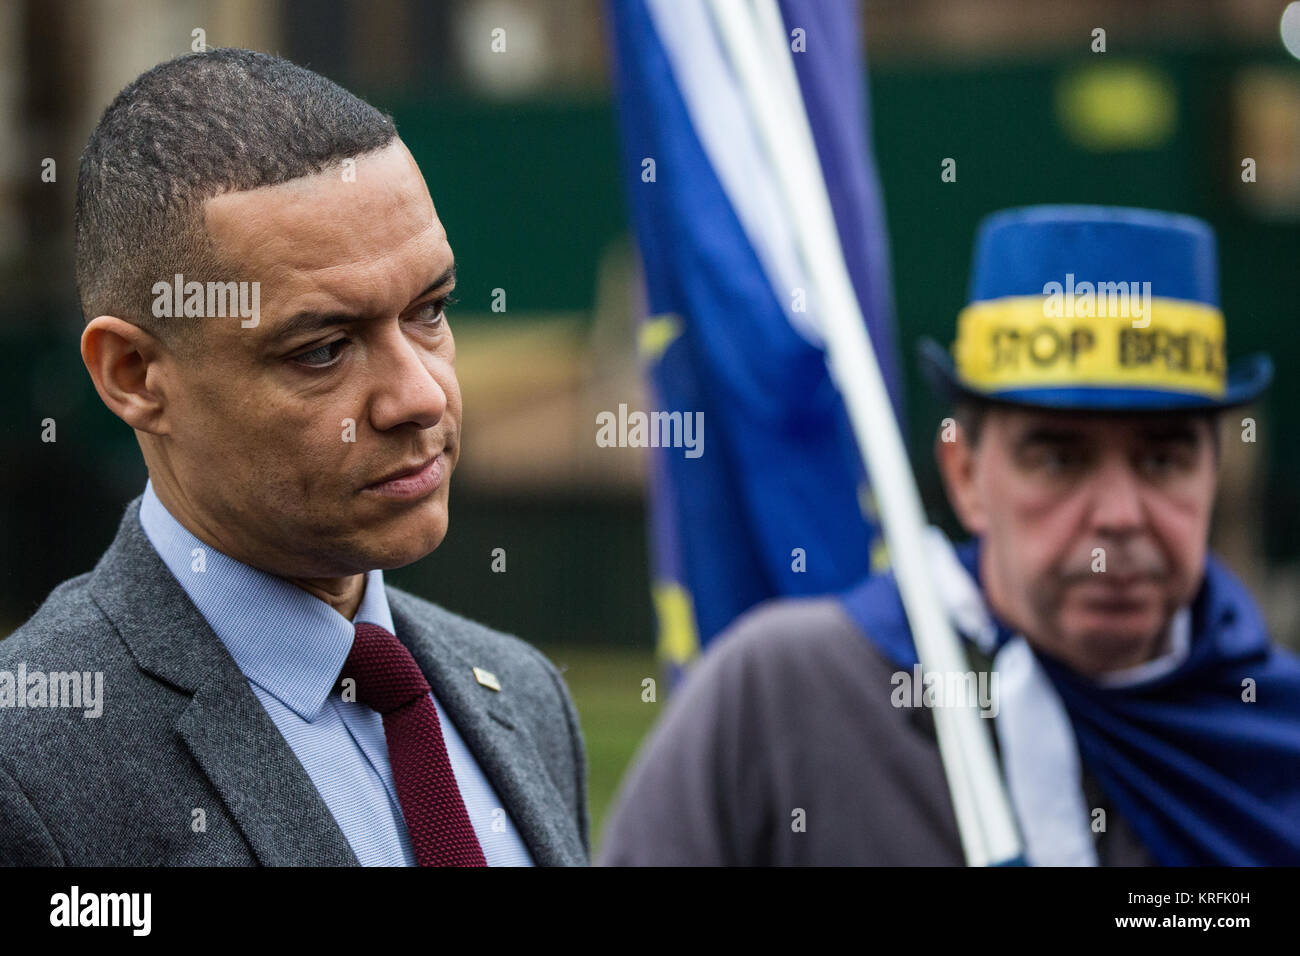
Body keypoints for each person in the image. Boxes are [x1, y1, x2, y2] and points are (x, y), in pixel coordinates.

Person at [0, 49, 587, 867]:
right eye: (321, 350)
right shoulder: (26, 766)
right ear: (134, 375)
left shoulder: (522, 697)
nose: (419, 396)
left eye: (431, 310)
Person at [599, 205, 1300, 866]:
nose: (1118, 514)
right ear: (964, 475)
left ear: (1218, 472)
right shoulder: (785, 692)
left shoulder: (1275, 733)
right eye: (1059, 458)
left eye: (1162, 459)